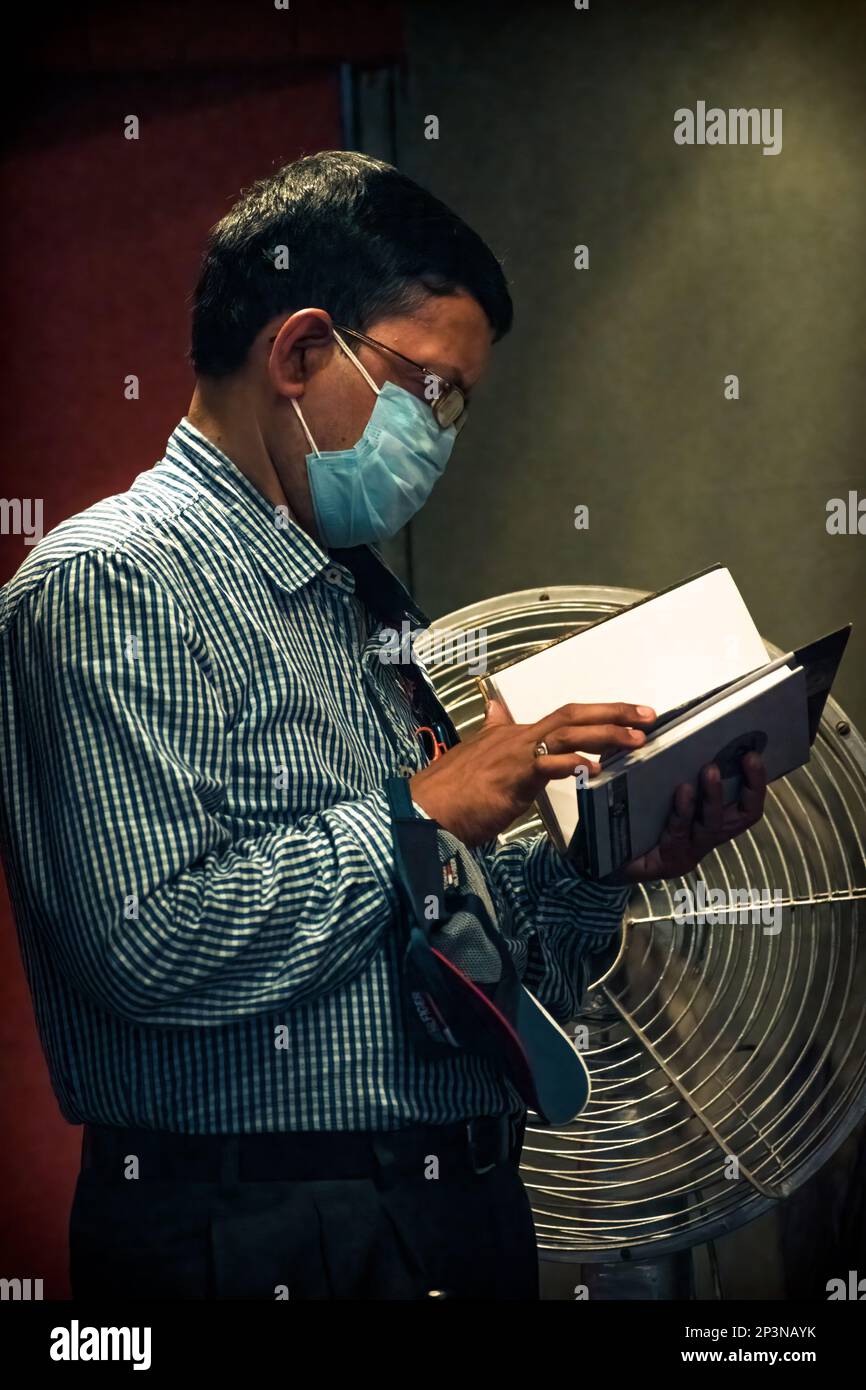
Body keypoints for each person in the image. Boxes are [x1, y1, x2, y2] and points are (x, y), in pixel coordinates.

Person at [0, 150, 766, 1300]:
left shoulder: (359, 600)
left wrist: (600, 857)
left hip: (447, 1210)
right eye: (432, 391)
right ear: (302, 352)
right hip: (256, 1228)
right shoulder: (110, 583)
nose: (445, 434)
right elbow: (145, 944)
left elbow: (470, 966)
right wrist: (421, 805)